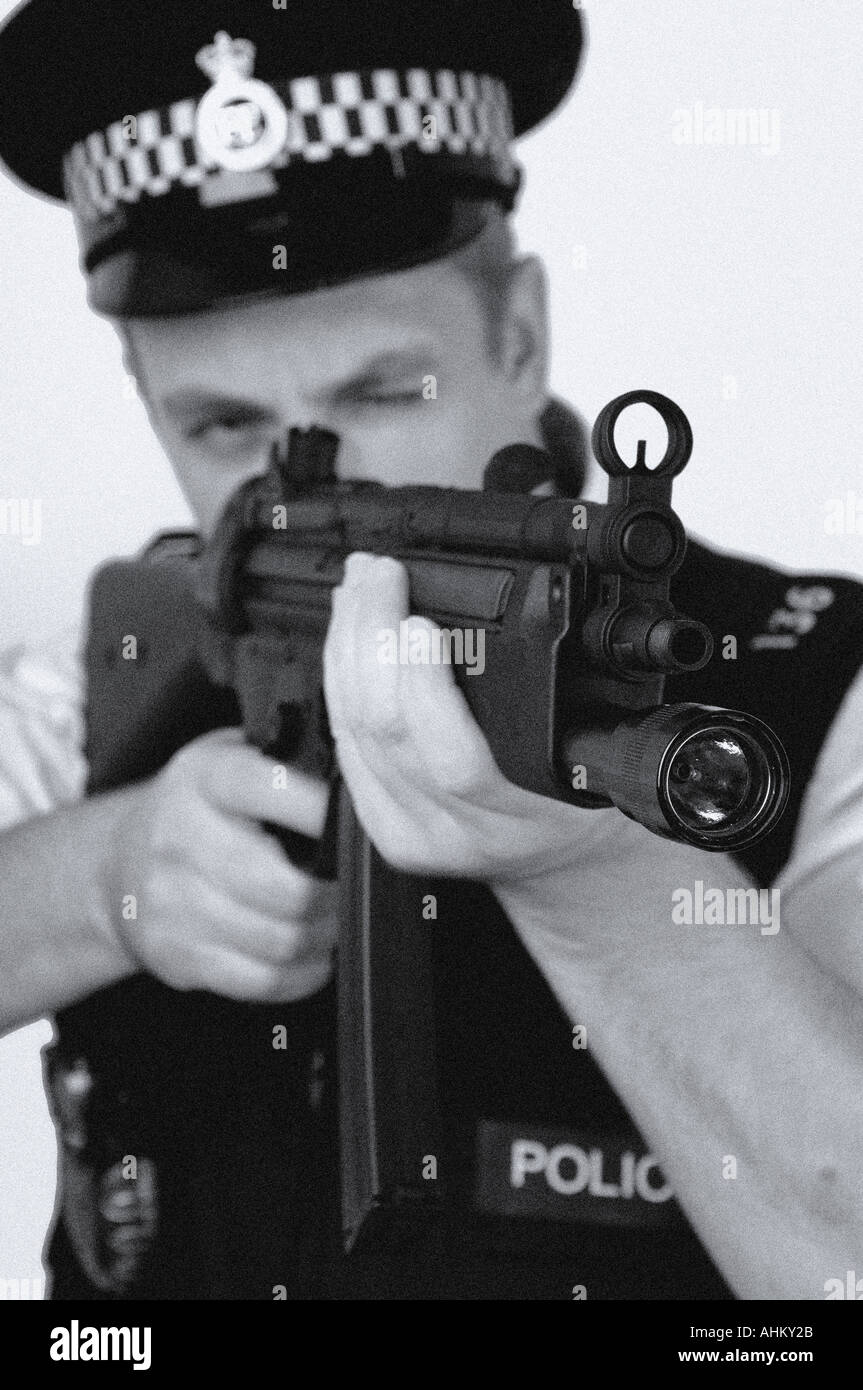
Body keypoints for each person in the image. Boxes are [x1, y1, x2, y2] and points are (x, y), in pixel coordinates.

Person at [1, 0, 862, 1301]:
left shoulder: (816, 675)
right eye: (223, 424)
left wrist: (595, 871)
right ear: (139, 393)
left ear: (519, 336)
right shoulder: (108, 669)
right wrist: (108, 876)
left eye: (380, 392)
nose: (311, 482)